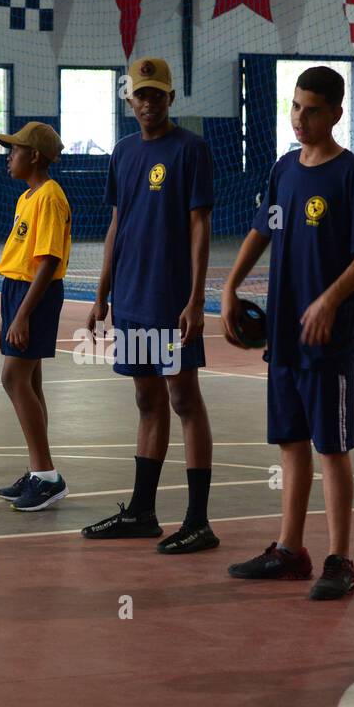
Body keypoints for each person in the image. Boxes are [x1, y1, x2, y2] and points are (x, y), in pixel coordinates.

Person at [221, 65, 354, 600]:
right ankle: (290, 550)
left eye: (312, 109)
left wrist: (329, 300)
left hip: (329, 341)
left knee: (331, 448)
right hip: (285, 337)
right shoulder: (284, 170)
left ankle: (341, 559)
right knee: (291, 443)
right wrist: (228, 287)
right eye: (295, 107)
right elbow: (261, 230)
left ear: (336, 113)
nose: (300, 117)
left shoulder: (351, 176)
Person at [82, 56, 218, 554]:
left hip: (171, 298)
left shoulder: (191, 150)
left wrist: (196, 298)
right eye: (140, 95)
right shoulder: (121, 153)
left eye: (157, 95)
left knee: (184, 399)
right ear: (129, 99)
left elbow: (199, 225)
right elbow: (117, 223)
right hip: (132, 296)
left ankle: (199, 520)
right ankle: (142, 512)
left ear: (170, 98)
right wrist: (101, 293)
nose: (148, 103)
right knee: (146, 399)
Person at [0, 122, 72, 511]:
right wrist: (6, 316)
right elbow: (20, 262)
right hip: (17, 294)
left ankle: (46, 475)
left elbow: (47, 262)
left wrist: (22, 315)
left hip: (35, 295)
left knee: (12, 378)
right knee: (30, 379)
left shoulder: (50, 196)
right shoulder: (27, 198)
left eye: (16, 150)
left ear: (35, 156)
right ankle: (38, 471)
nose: (9, 156)